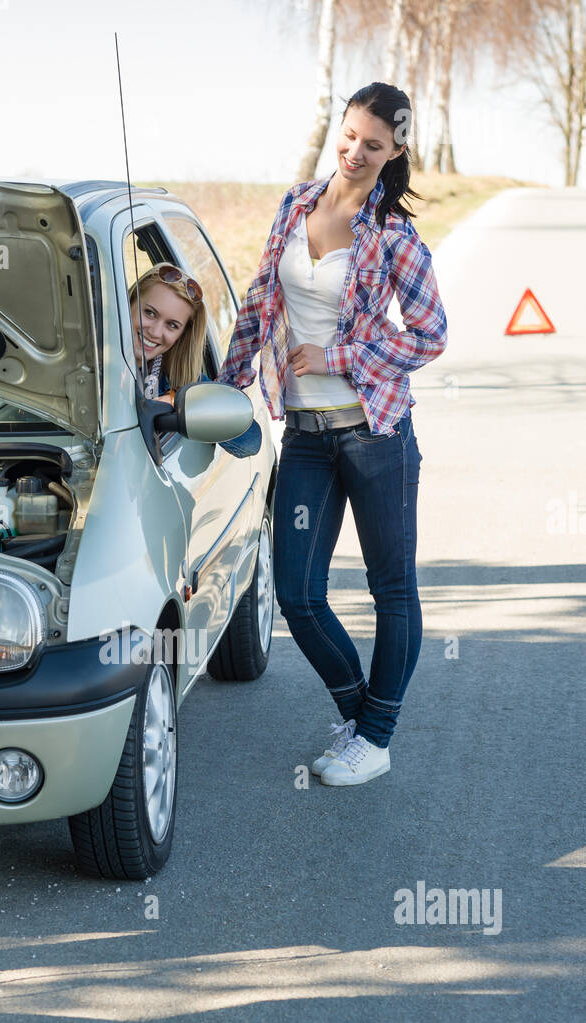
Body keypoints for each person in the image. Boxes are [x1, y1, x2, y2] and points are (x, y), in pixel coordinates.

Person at [218, 82, 447, 785]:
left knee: (391, 588)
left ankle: (374, 738)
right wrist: (223, 389)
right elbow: (260, 296)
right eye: (348, 136)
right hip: (308, 435)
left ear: (396, 152)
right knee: (297, 590)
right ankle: (359, 715)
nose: (353, 152)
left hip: (375, 434)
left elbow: (431, 334)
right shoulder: (295, 204)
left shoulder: (395, 236)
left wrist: (338, 358)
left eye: (372, 145)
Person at [128, 263, 261, 458]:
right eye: (149, 313)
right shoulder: (81, 358)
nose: (155, 332)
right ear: (128, 303)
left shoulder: (174, 379)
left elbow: (250, 441)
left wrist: (177, 400)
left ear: (183, 335)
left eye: (172, 325)